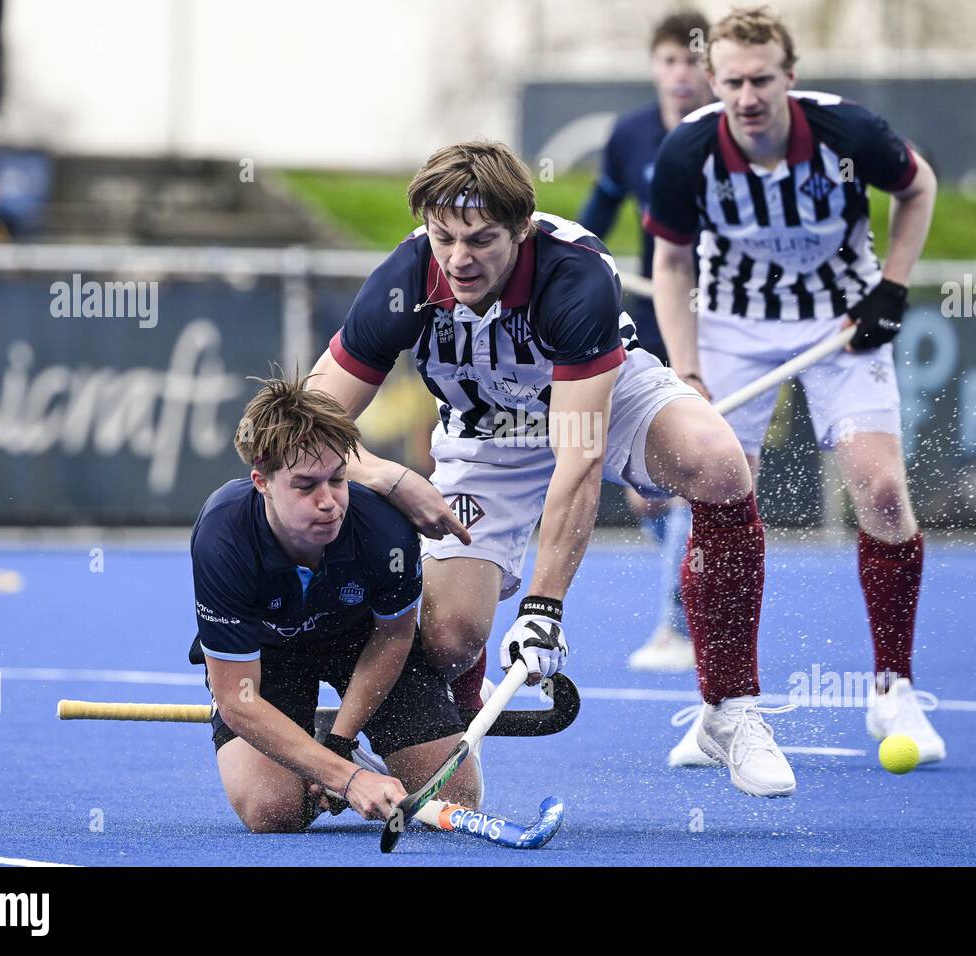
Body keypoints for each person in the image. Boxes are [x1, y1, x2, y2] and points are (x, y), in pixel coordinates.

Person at [309, 139, 799, 798]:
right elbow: (310, 420)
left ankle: (730, 710)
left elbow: (580, 454)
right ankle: (453, 708)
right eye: (443, 236)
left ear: (522, 228)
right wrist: (390, 476)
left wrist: (543, 608)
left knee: (719, 463)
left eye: (481, 239)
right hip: (487, 440)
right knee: (451, 633)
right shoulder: (404, 280)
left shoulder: (573, 275)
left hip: (601, 403)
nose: (458, 258)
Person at [645, 6, 946, 767]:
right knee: (709, 507)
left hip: (840, 324)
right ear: (713, 82)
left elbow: (920, 187)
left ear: (790, 77)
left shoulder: (848, 134)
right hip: (732, 329)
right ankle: (717, 709)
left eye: (763, 80)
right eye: (733, 81)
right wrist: (688, 372)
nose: (748, 97)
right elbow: (673, 265)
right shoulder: (687, 153)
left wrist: (894, 287)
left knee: (881, 492)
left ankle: (894, 689)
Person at [188, 373, 479, 832]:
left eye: (338, 479)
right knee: (273, 811)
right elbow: (237, 699)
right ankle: (309, 747)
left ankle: (328, 739)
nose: (329, 503)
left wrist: (342, 748)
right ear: (262, 482)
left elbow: (394, 634)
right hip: (270, 653)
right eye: (305, 486)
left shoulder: (384, 530)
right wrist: (349, 779)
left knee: (457, 796)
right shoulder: (223, 536)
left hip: (362, 643)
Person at [577, 10, 712, 673]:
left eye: (693, 62)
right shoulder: (630, 136)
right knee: (647, 494)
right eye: (671, 62)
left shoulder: (727, 132)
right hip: (656, 317)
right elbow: (593, 219)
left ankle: (682, 626)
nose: (682, 74)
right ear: (656, 67)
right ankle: (708, 583)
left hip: (719, 320)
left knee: (695, 479)